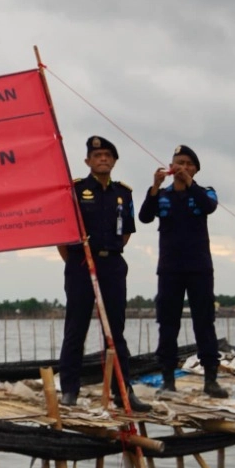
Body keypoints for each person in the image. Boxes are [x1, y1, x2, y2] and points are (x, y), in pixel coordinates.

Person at [56, 135, 137, 407]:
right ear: (87, 161)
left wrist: (107, 253)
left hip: (112, 265)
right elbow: (62, 237)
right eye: (97, 156)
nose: (103, 159)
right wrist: (76, 259)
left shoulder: (123, 193)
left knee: (115, 331)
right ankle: (70, 390)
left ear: (114, 161)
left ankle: (123, 390)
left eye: (107, 156)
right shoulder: (75, 190)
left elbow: (125, 233)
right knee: (75, 328)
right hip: (80, 264)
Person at [140, 144, 224, 397]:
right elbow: (144, 216)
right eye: (179, 163)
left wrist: (190, 183)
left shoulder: (205, 192)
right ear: (170, 167)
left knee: (204, 323)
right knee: (167, 324)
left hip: (199, 268)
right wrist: (154, 186)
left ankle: (211, 379)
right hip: (169, 270)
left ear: (196, 169)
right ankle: (168, 379)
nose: (183, 168)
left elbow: (208, 207)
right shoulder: (162, 195)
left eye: (188, 164)